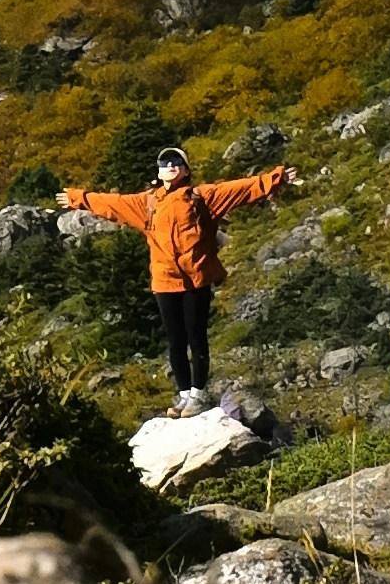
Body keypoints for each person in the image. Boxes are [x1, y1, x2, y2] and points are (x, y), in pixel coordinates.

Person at [57, 137, 290, 409]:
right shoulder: (147, 203)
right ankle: (183, 395)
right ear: (157, 172)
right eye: (164, 163)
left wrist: (278, 177)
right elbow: (112, 203)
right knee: (176, 342)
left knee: (196, 338)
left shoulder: (202, 197)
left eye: (176, 162)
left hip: (196, 280)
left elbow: (242, 188)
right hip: (164, 282)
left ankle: (198, 394)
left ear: (186, 169)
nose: (170, 166)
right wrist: (78, 198)